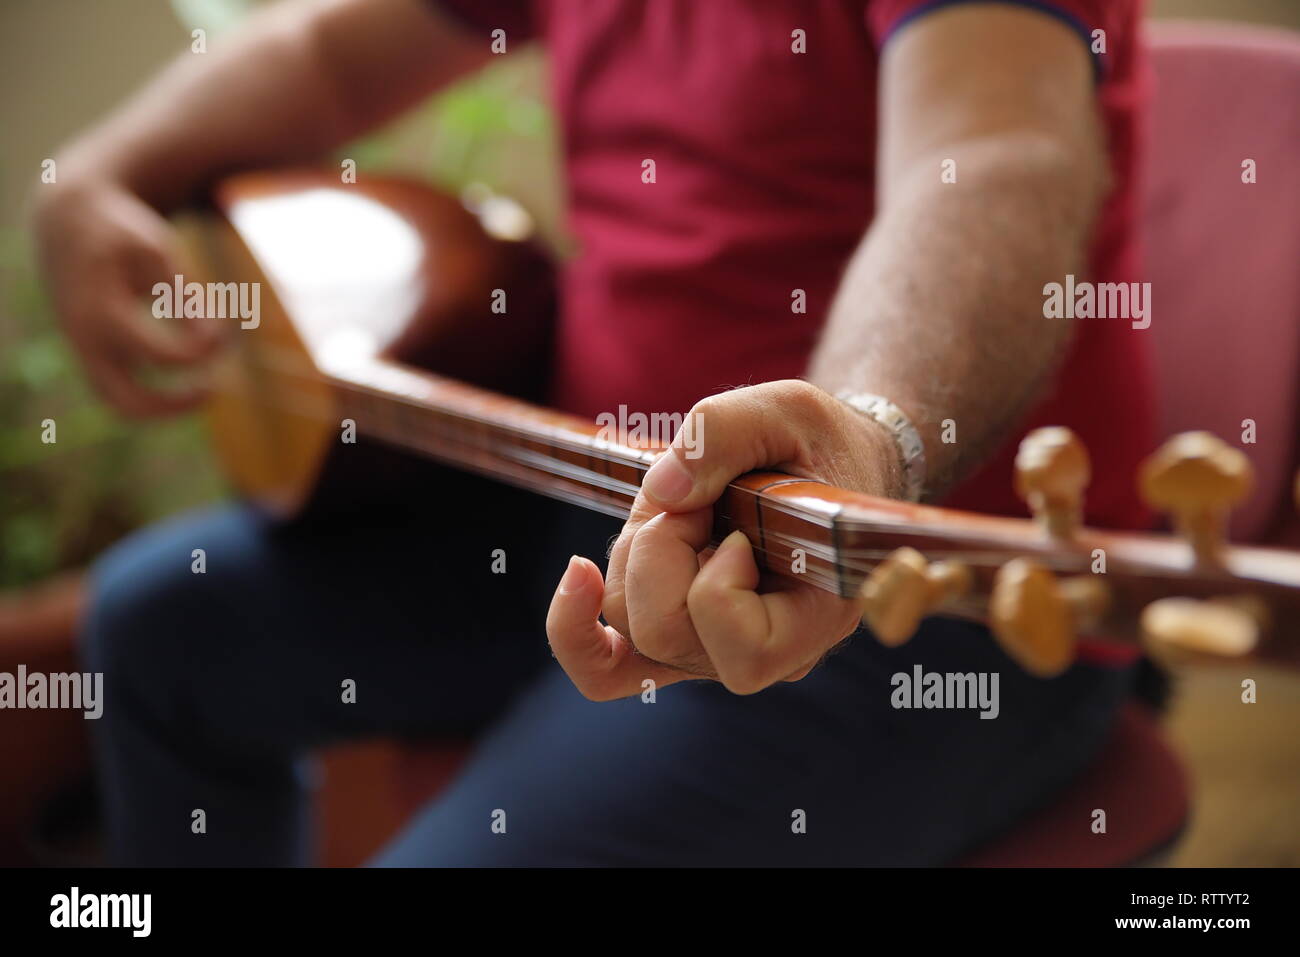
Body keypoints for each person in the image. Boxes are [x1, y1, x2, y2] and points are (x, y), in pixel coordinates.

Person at [31, 0, 1153, 866]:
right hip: (590, 520)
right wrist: (96, 174)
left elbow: (996, 158)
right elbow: (331, 54)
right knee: (155, 631)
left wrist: (866, 438)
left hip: (917, 601)